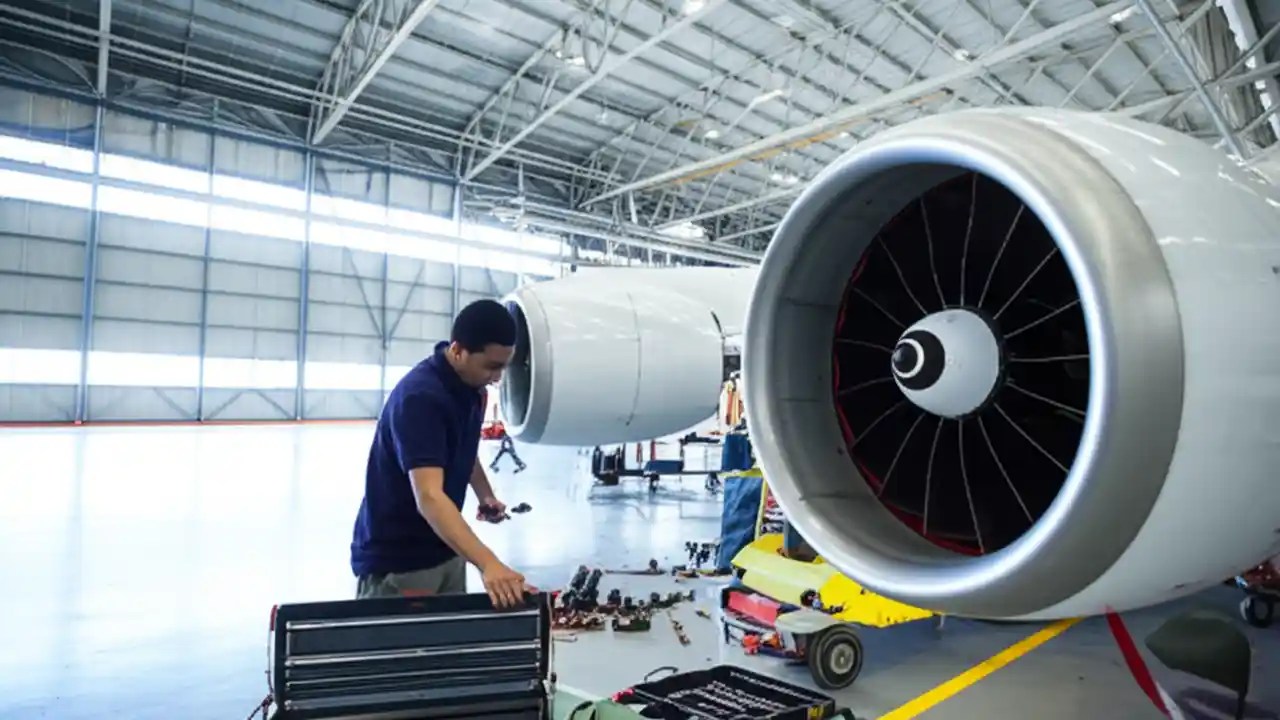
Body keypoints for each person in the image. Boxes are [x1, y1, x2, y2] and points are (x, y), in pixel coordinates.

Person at [350, 299, 530, 608]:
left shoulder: (473, 390)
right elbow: (429, 496)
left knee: (445, 650)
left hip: (447, 546)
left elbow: (463, 448)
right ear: (458, 350)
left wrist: (484, 495)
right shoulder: (422, 398)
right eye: (492, 366)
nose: (497, 378)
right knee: (404, 655)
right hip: (402, 563)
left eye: (503, 366)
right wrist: (489, 563)